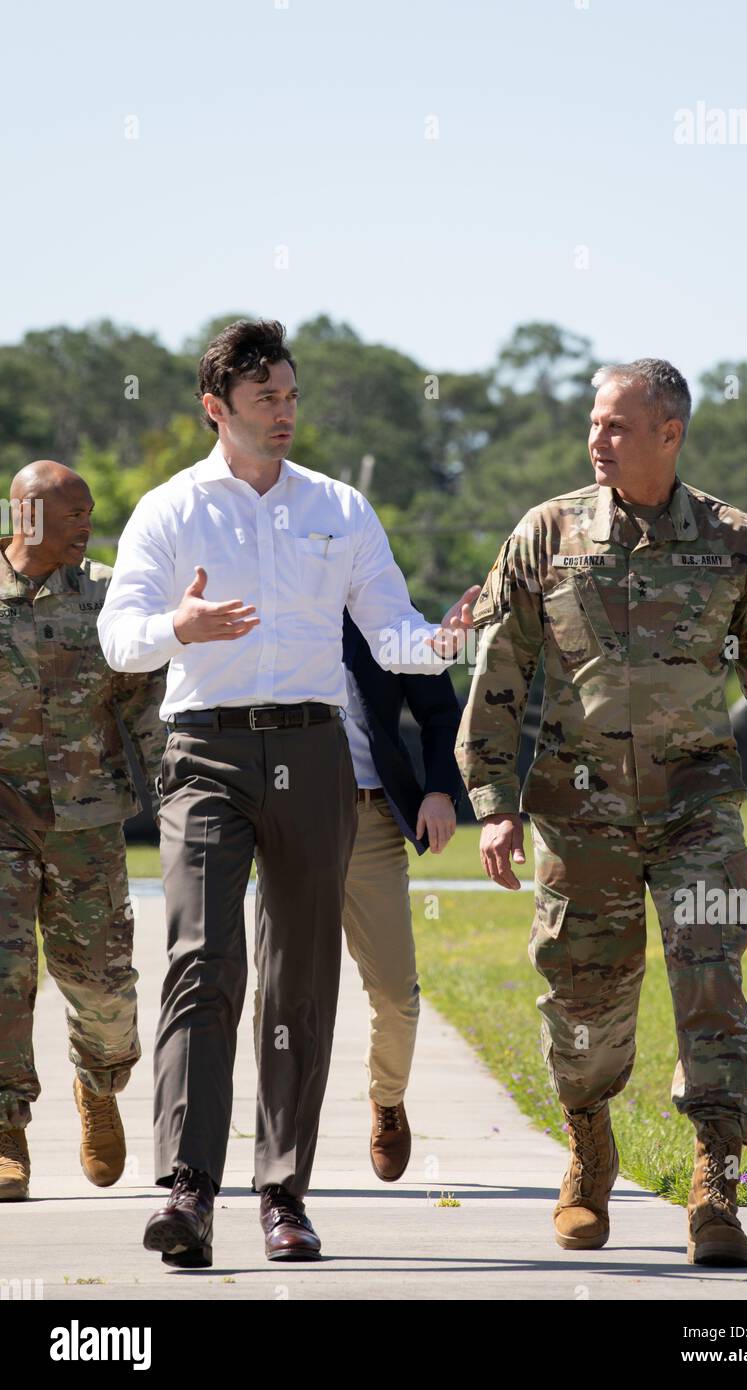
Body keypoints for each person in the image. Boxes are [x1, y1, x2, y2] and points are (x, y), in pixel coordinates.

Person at [97, 318, 476, 1267]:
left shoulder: (340, 509)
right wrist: (176, 625)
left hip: (311, 758)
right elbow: (118, 639)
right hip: (206, 755)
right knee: (201, 961)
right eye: (267, 397)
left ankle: (283, 1194)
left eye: (292, 395)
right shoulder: (169, 509)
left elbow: (391, 633)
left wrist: (449, 639)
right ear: (215, 408)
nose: (285, 413)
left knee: (299, 979)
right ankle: (187, 1191)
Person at [456, 358, 747, 1267]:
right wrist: (494, 801)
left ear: (671, 433)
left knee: (714, 989)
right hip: (579, 814)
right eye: (594, 422)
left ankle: (716, 1186)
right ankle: (588, 1146)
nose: (598, 438)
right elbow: (499, 672)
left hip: (700, 802)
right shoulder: (548, 534)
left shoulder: (735, 542)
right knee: (582, 1005)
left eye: (619, 424)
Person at [0, 462, 164, 1202]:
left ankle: (98, 1085)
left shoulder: (107, 593)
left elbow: (145, 704)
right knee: (5, 981)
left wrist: (183, 792)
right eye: (75, 514)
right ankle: (6, 1131)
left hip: (88, 823)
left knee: (103, 986)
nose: (88, 525)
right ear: (27, 516)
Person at [252, 606, 462, 1185]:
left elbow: (442, 712)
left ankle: (387, 1099)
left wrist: (440, 789)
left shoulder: (385, 614)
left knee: (396, 993)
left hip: (371, 822)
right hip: (291, 819)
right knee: (280, 996)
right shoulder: (268, 600)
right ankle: (280, 1138)